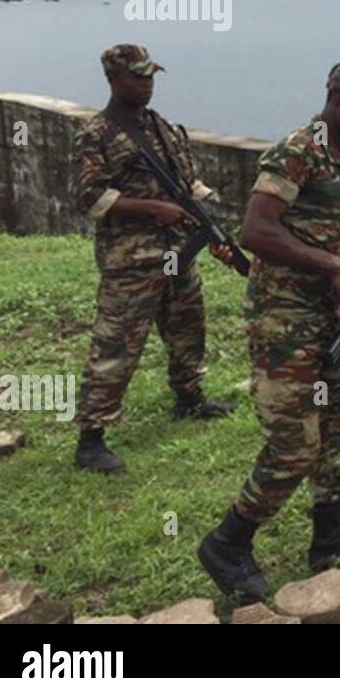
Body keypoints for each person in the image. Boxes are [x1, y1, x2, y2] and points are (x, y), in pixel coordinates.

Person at [198, 61, 340, 602]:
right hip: (286, 323)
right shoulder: (298, 151)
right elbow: (255, 230)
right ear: (339, 101)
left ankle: (331, 540)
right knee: (294, 444)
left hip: (330, 325)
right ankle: (229, 542)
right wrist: (329, 267)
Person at [73, 44, 237, 474]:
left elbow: (188, 184)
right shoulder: (98, 134)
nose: (147, 84)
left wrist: (212, 227)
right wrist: (152, 208)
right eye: (138, 77)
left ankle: (190, 398)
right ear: (113, 79)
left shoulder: (162, 128)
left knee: (186, 323)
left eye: (150, 76)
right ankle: (91, 440)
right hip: (132, 258)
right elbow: (90, 197)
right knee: (118, 343)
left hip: (175, 252)